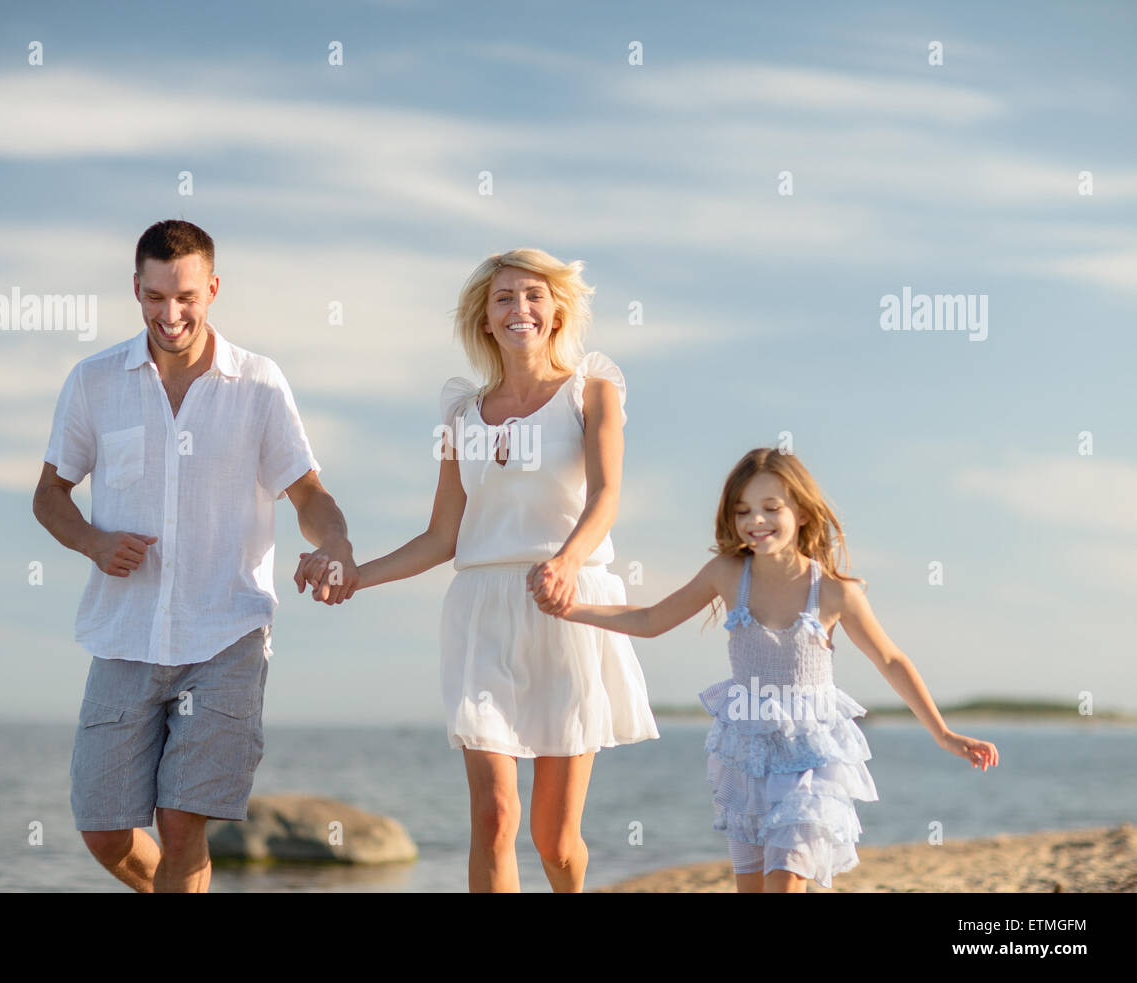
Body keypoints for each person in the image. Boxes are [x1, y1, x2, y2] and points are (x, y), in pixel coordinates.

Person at [307, 248, 659, 892]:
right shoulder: (461, 416)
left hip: (569, 606)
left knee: (554, 840)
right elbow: (443, 535)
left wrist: (566, 562)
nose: (519, 307)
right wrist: (357, 574)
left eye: (532, 294)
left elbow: (607, 496)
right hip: (482, 614)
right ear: (486, 320)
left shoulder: (591, 391)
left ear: (555, 311)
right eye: (504, 298)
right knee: (495, 816)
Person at [32, 219, 358, 893]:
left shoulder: (259, 384)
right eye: (155, 296)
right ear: (135, 289)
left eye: (185, 296)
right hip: (124, 636)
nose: (169, 313)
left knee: (182, 822)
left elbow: (309, 492)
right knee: (104, 829)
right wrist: (93, 541)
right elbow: (49, 495)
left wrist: (333, 544)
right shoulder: (93, 382)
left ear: (211, 289)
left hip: (226, 634)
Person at [544, 446, 999, 893]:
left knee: (785, 879)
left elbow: (892, 660)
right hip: (747, 760)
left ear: (801, 512)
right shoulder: (726, 573)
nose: (755, 521)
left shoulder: (835, 593)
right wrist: (570, 609)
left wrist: (944, 734)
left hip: (810, 763)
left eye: (770, 507)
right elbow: (649, 621)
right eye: (743, 510)